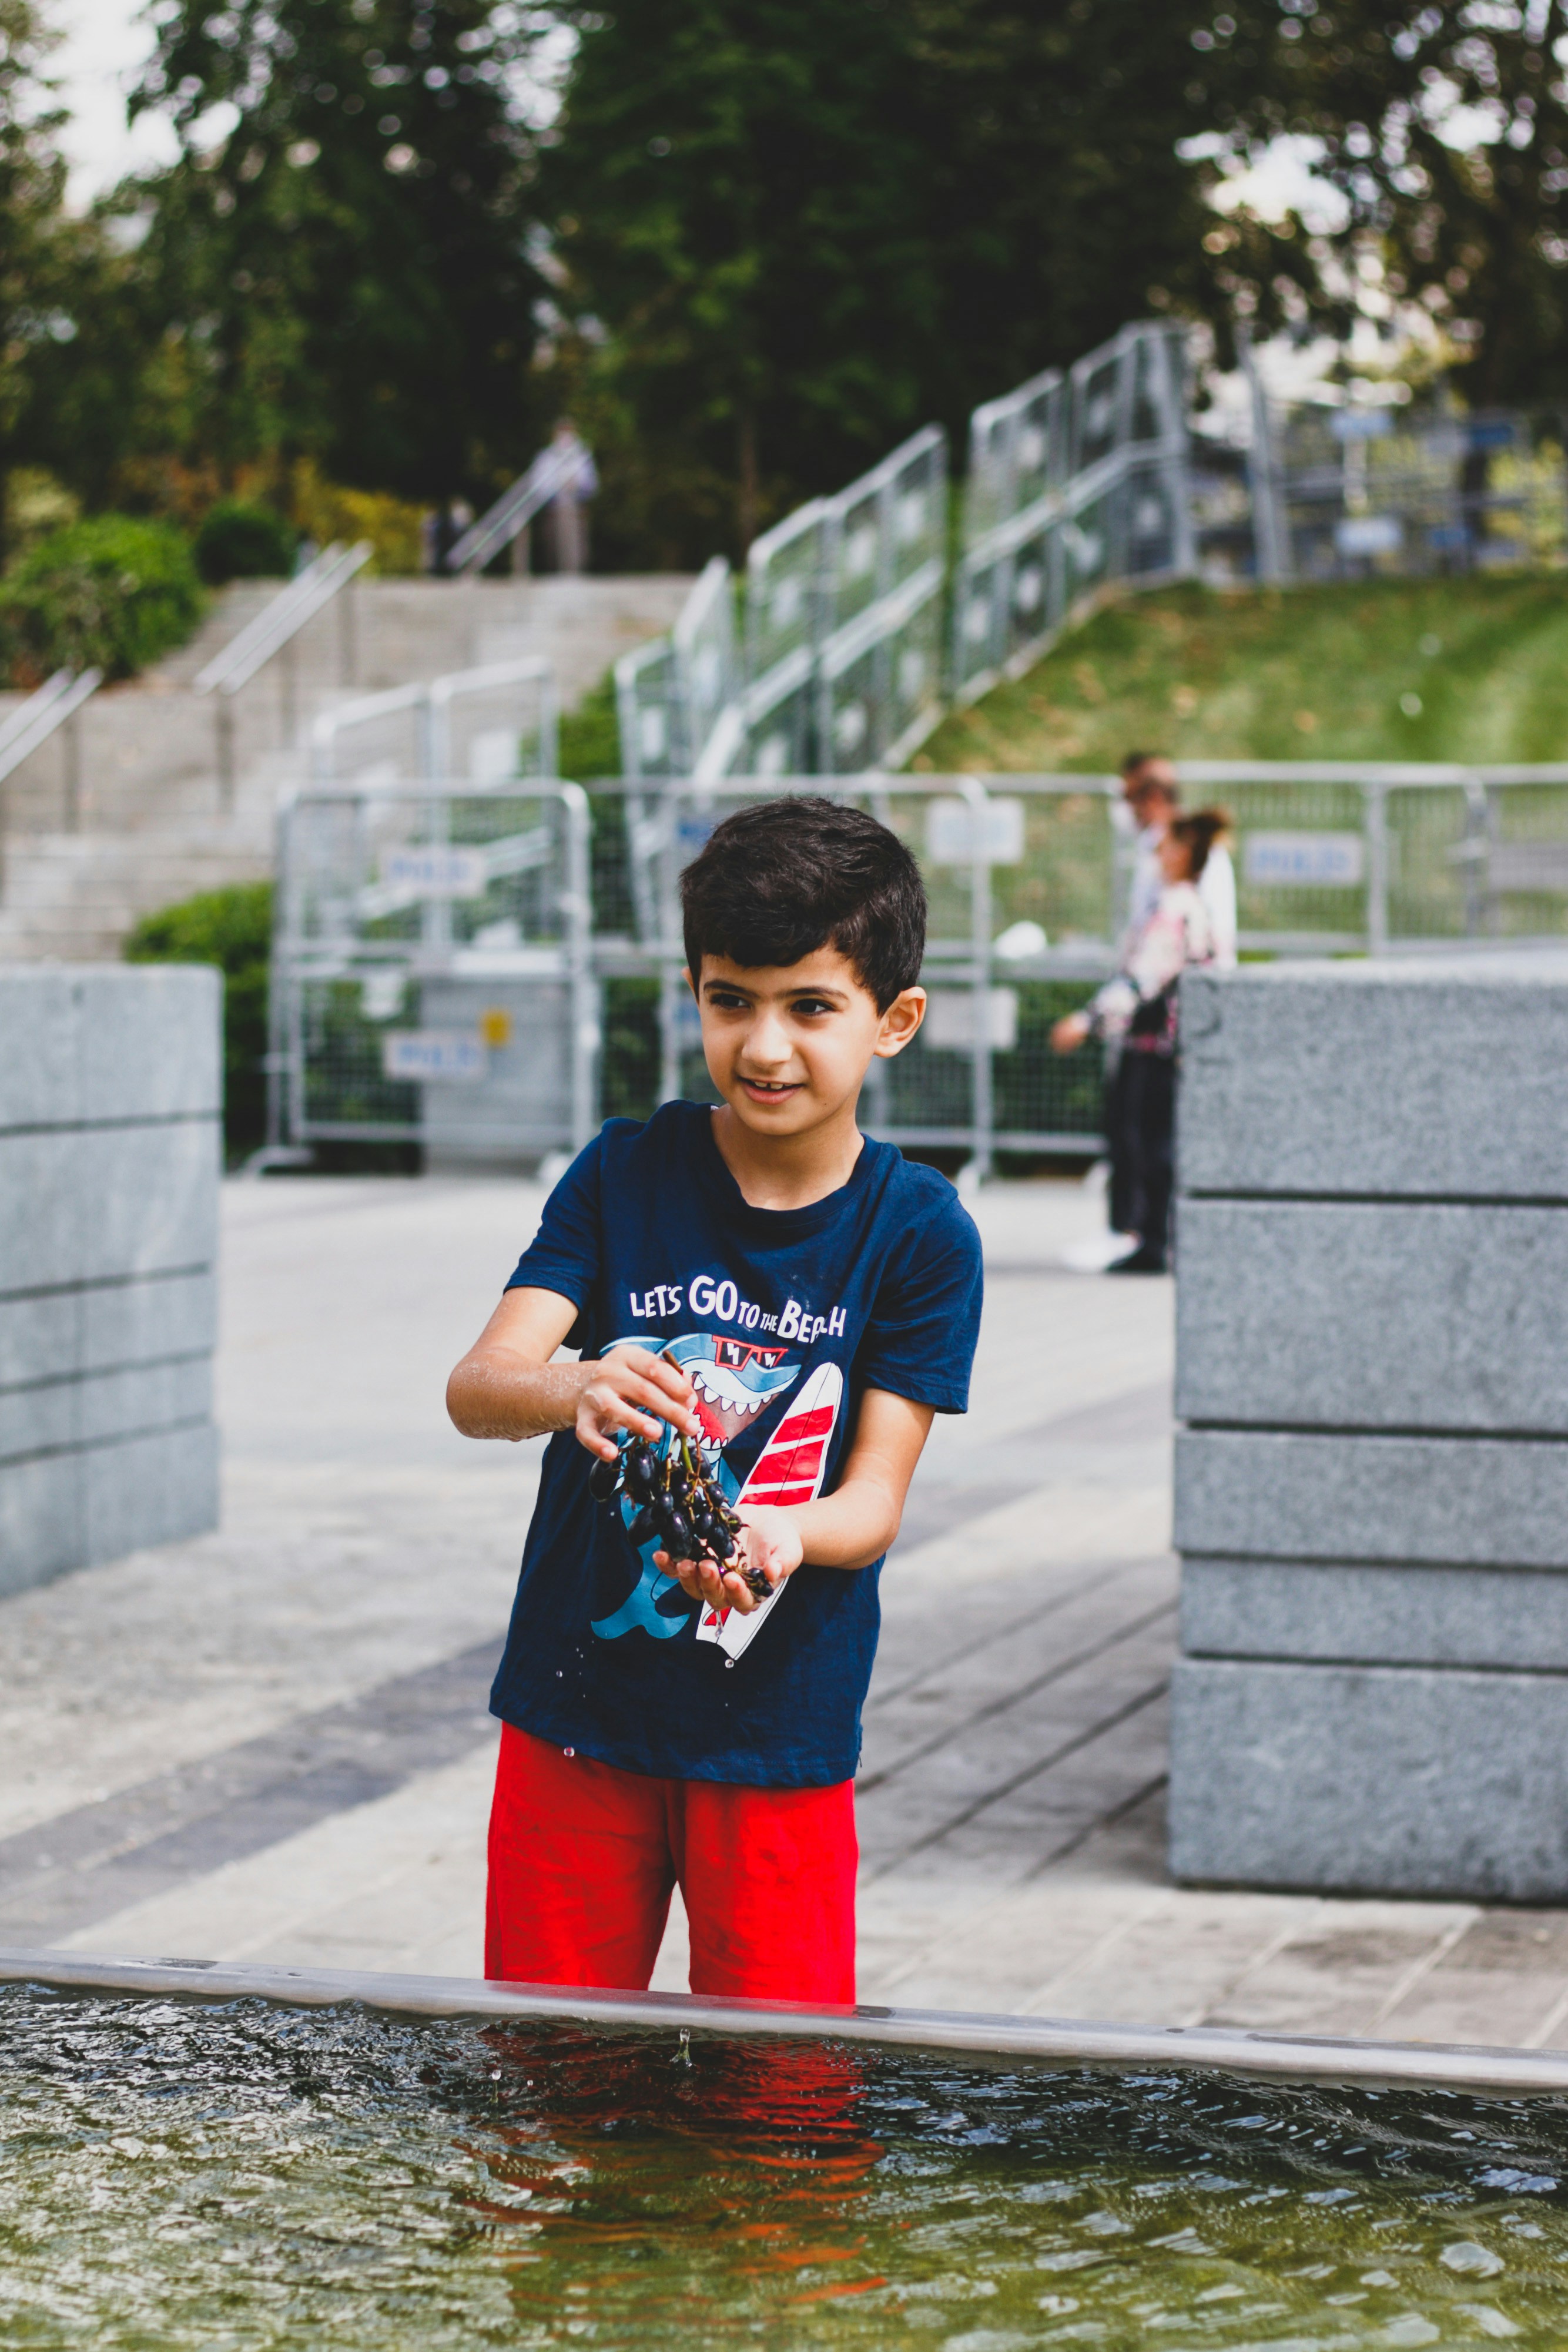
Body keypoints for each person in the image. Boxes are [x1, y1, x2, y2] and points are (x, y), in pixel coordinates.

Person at [446, 798, 983, 2005]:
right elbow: (477, 1388)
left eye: (809, 1006)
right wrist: (569, 1382)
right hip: (573, 1717)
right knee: (551, 2085)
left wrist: (783, 1535)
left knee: (775, 2115)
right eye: (729, 998)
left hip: (775, 1736)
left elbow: (873, 1502)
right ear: (691, 990)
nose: (764, 1046)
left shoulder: (919, 1234)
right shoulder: (624, 1170)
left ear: (892, 1021)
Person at [1050, 808, 1228, 1274]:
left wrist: (1087, 1021)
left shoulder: (1174, 910)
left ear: (1184, 854)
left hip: (1155, 1047)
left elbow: (1143, 977)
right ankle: (1156, 1238)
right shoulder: (1188, 907)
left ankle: (1154, 1241)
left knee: (1147, 1142)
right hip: (1171, 1046)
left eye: (1165, 845)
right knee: (1154, 1140)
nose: (1156, 853)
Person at [542, 418, 598, 574]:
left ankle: (577, 577)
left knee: (579, 550)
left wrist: (577, 484)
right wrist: (557, 485)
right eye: (562, 431)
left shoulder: (582, 456)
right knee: (554, 550)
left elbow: (592, 484)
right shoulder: (547, 456)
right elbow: (539, 486)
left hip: (577, 511)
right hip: (554, 511)